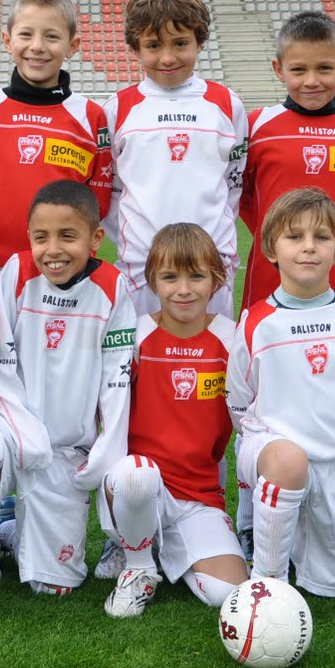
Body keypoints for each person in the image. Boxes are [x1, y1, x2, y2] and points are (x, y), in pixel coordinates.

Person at [0, 180, 136, 635]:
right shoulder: (15, 271)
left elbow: (118, 373)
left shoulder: (113, 286)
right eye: (40, 237)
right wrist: (21, 425)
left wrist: (106, 447)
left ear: (94, 239)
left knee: (55, 587)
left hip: (66, 449)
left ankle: (9, 527)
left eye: (68, 236)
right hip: (13, 430)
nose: (53, 249)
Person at [235, 10, 335, 554]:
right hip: (270, 287)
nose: (312, 80)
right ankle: (252, 514)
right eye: (299, 70)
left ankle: (334, 514)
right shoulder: (259, 127)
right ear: (278, 69)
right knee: (263, 400)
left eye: (324, 68)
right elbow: (246, 198)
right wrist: (281, 250)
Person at [229, 189, 335, 599]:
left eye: (322, 237)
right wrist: (267, 444)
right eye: (294, 236)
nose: (309, 247)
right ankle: (267, 582)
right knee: (288, 459)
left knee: (330, 584)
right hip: (272, 452)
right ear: (271, 249)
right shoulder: (257, 322)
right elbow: (239, 400)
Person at [101, 223, 245, 618]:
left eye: (196, 276)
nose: (184, 289)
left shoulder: (232, 340)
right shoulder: (136, 336)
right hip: (135, 485)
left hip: (198, 496)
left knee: (226, 593)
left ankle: (163, 548)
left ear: (216, 280)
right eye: (170, 277)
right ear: (152, 280)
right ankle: (138, 566)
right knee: (137, 474)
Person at [102, 0, 247, 318]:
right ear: (135, 47)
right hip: (141, 267)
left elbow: (234, 181)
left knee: (212, 362)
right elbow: (111, 189)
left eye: (180, 43)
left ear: (199, 42)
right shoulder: (118, 108)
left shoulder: (227, 105)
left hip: (210, 265)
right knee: (144, 361)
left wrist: (217, 244)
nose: (167, 58)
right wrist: (134, 245)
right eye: (153, 45)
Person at [0, 0, 112, 299]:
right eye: (26, 35)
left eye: (52, 36)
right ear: (8, 41)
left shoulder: (90, 116)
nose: (37, 47)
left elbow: (96, 200)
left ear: (72, 46)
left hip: (63, 266)